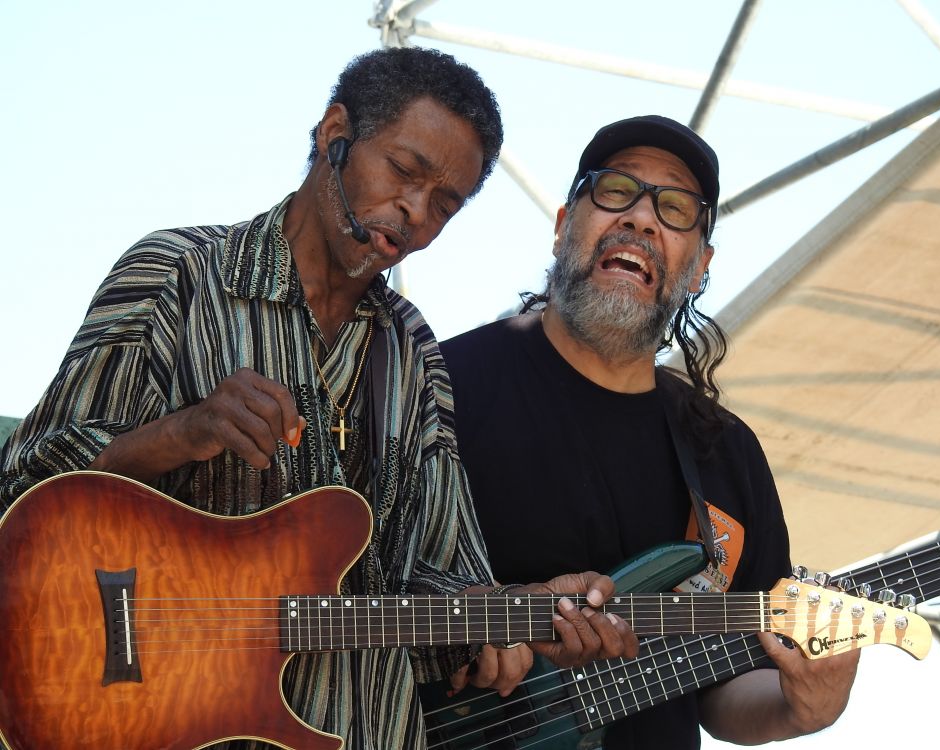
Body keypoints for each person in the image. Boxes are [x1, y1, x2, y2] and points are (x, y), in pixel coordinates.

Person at [0, 48, 637, 750]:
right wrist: (184, 431)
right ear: (335, 133)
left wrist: (512, 614)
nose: (416, 214)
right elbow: (28, 496)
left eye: (445, 204)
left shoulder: (414, 351)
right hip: (164, 726)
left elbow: (437, 574)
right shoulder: (176, 274)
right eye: (403, 171)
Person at [439, 115, 860, 747]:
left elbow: (723, 687)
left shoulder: (725, 453)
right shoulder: (440, 387)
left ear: (699, 268)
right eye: (614, 190)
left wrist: (802, 708)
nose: (641, 218)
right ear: (561, 227)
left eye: (675, 207)